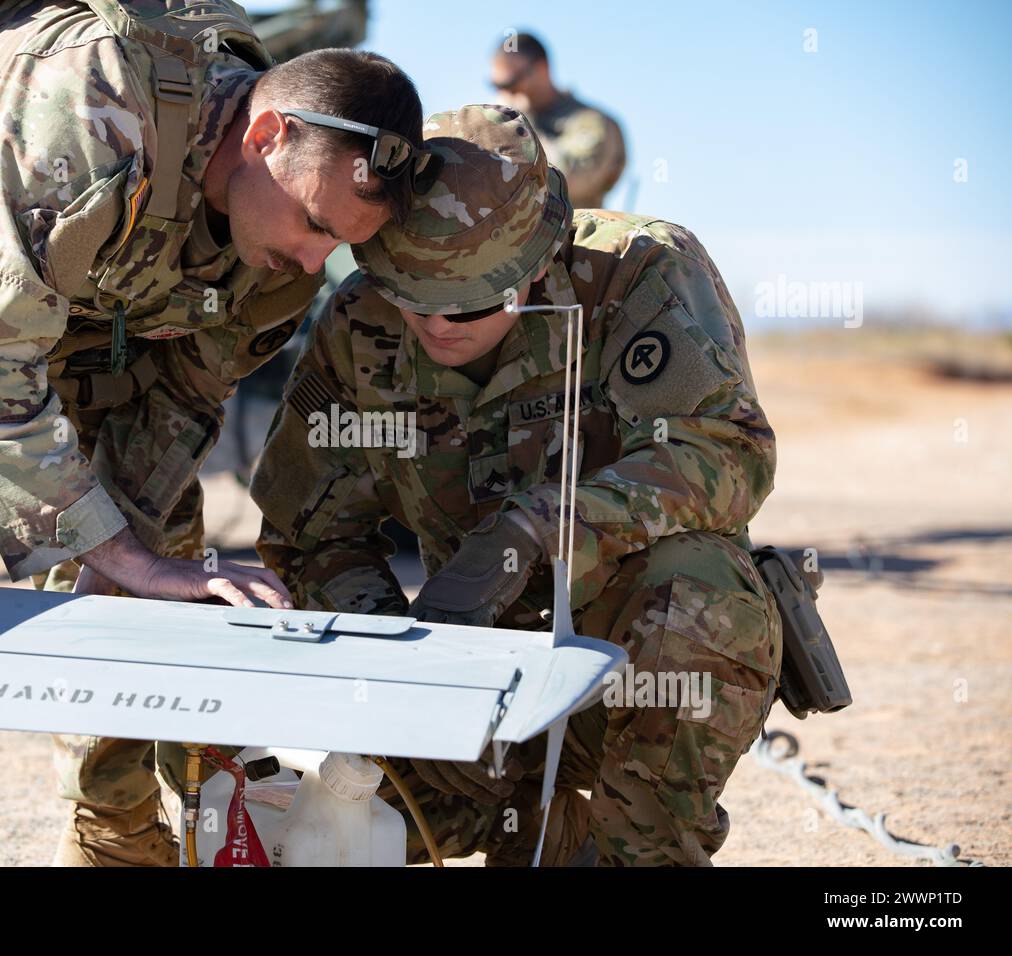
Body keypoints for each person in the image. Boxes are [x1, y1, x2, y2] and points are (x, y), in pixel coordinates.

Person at [0, 0, 423, 866]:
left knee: (155, 547)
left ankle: (113, 834)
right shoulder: (96, 102)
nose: (318, 264)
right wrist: (117, 554)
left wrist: (125, 562)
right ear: (267, 132)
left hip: (51, 256)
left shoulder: (273, 264)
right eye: (315, 224)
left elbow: (172, 410)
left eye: (340, 245)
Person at [252, 104, 781, 866]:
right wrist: (400, 655)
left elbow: (728, 453)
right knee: (322, 815)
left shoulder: (640, 273)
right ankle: (532, 828)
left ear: (541, 260)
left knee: (700, 592)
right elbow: (311, 533)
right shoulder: (361, 321)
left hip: (622, 668)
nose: (438, 327)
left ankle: (643, 847)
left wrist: (536, 528)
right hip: (466, 687)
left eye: (471, 301)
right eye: (411, 295)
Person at [489, 31, 626, 208]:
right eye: (497, 86)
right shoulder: (499, 122)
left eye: (512, 83)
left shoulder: (592, 122)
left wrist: (519, 123)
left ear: (541, 69)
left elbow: (570, 178)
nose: (505, 95)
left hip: (570, 232)